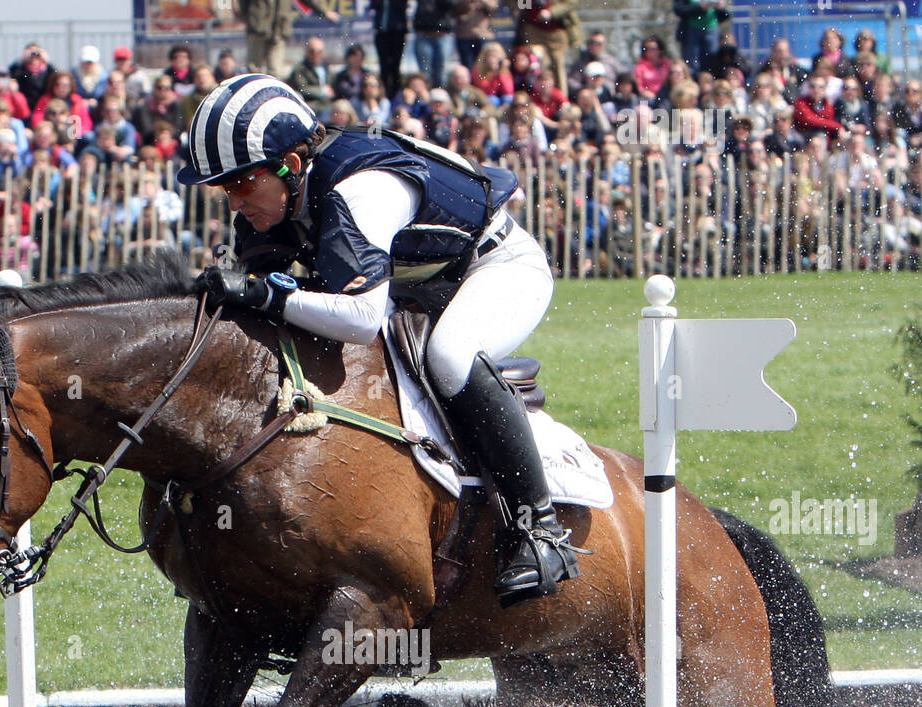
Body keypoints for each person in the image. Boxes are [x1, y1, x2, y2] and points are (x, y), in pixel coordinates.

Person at [177, 75, 580, 607]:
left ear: (291, 165)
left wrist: (268, 296)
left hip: (498, 268)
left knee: (449, 355)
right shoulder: (276, 202)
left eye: (241, 184)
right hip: (421, 285)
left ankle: (540, 532)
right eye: (223, 189)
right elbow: (263, 293)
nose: (233, 202)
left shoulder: (359, 192)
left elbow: (362, 318)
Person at [673, 1, 728, 76]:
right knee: (692, 64)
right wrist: (699, 8)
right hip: (690, 31)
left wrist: (721, 7)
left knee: (712, 62)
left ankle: (710, 81)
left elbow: (726, 13)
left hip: (712, 29)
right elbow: (678, 9)